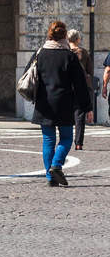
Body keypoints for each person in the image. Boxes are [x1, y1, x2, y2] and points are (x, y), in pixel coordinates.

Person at [32, 21, 89, 187]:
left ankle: (50, 178)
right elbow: (80, 84)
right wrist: (86, 106)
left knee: (48, 140)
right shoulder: (69, 56)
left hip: (44, 103)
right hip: (63, 103)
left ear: (49, 35)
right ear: (64, 36)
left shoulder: (40, 53)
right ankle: (56, 165)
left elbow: (31, 75)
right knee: (66, 138)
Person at [66, 29, 92, 151]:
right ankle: (78, 143)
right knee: (80, 115)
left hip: (66, 87)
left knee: (65, 114)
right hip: (80, 87)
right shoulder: (84, 53)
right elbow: (89, 72)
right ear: (78, 39)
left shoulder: (65, 53)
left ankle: (65, 140)